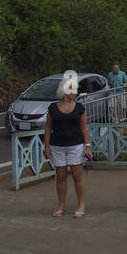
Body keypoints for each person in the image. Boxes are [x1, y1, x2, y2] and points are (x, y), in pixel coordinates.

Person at [47, 79, 90, 219]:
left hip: (75, 145)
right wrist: (46, 147)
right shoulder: (53, 107)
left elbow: (84, 127)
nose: (74, 92)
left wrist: (87, 146)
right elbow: (48, 128)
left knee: (77, 175)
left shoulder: (79, 107)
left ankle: (81, 205)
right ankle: (60, 206)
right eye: (72, 89)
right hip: (57, 145)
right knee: (60, 176)